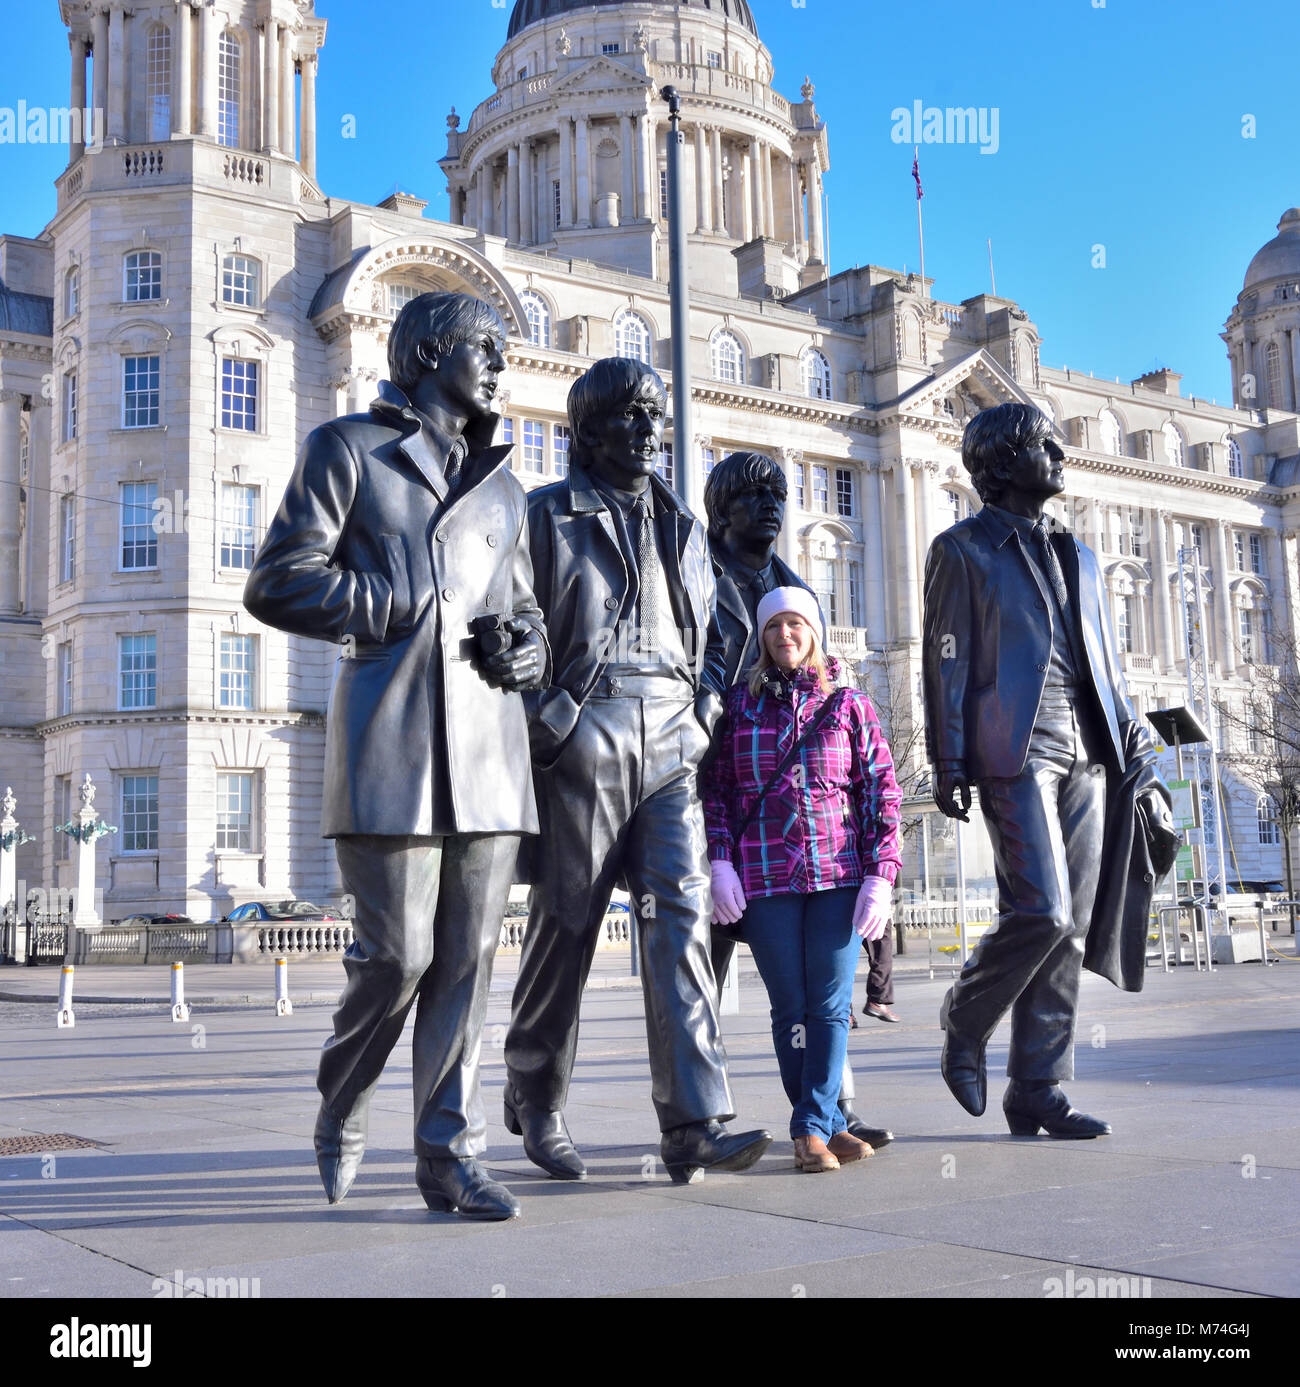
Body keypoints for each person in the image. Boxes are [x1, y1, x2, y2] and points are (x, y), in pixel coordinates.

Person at [244, 291, 547, 1220]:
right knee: (396, 958)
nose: (497, 364)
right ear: (426, 353)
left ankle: (449, 1153)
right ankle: (343, 1093)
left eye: (502, 349)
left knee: (468, 962)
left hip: (491, 753)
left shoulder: (505, 485)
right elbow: (278, 578)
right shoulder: (349, 449)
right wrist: (383, 602)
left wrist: (528, 645)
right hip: (393, 742)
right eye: (482, 347)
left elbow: (526, 604)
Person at [503, 357, 772, 1185]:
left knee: (683, 924)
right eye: (631, 414)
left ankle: (692, 1121)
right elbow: (514, 622)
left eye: (655, 413)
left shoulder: (688, 528)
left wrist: (706, 710)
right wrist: (555, 717)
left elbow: (726, 629)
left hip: (671, 741)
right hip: (590, 729)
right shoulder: (546, 515)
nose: (649, 429)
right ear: (588, 428)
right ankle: (537, 1093)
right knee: (567, 923)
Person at [922, 402, 1178, 1137]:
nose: (1060, 452)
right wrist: (948, 756)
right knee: (1042, 910)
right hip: (1014, 743)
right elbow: (948, 657)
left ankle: (1038, 1084)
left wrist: (1144, 767)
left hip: (1091, 751)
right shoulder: (963, 549)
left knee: (1070, 928)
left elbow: (1112, 670)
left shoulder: (1082, 556)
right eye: (1043, 444)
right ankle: (965, 1014)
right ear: (1001, 463)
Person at [702, 450, 894, 1149]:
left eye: (781, 493)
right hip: (717, 817)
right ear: (723, 506)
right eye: (756, 495)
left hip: (829, 868)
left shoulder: (840, 690)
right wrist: (721, 855)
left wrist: (882, 872)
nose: (775, 507)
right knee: (710, 974)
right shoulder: (694, 570)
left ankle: (825, 1119)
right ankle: (699, 1117)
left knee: (827, 1000)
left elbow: (879, 789)